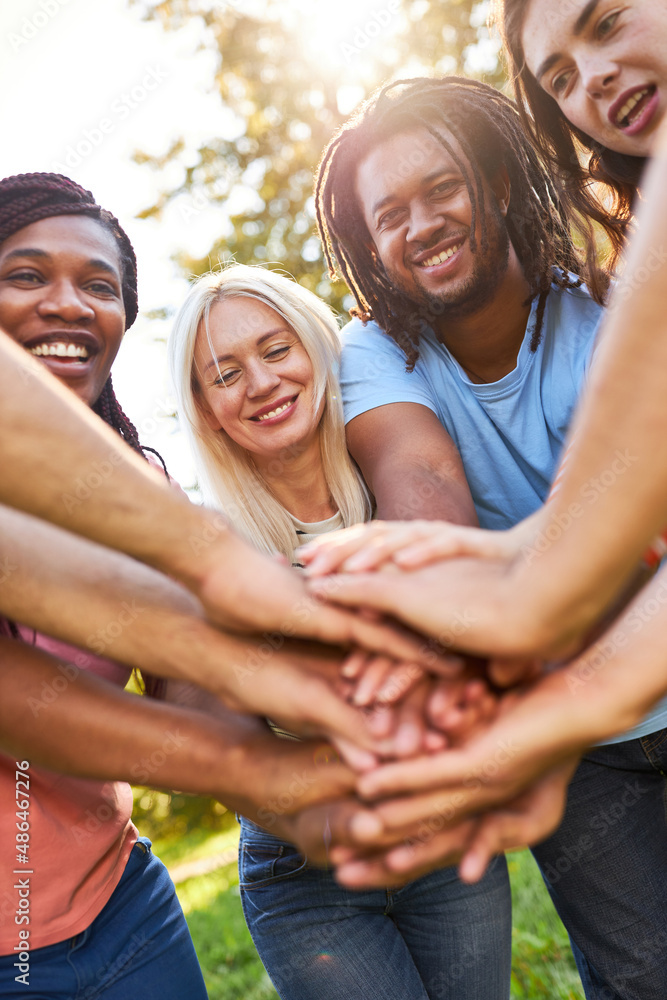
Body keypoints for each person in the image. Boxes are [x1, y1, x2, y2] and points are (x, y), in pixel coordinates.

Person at [301, 76, 667, 1000]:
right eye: (389, 214)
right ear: (369, 244)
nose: (420, 225)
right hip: (566, 735)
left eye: (442, 189)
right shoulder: (374, 356)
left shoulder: (608, 293)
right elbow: (424, 496)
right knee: (642, 975)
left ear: (498, 183)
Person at [0, 173, 385, 999]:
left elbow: (183, 679)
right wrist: (256, 768)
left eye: (98, 286)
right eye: (26, 275)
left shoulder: (138, 483)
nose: (68, 304)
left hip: (124, 910)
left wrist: (312, 772)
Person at [167, 263, 512, 1000]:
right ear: (206, 408)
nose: (261, 383)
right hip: (307, 870)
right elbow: (212, 724)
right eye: (225, 374)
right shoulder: (208, 540)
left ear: (318, 348)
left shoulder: (401, 480)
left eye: (276, 350)